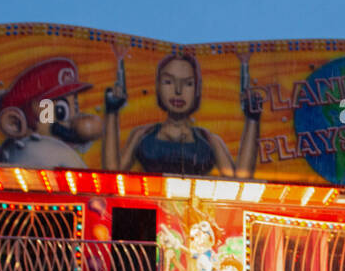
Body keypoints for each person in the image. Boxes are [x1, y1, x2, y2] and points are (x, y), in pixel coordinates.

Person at [102, 52, 260, 177]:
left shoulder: (209, 139)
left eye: (188, 83)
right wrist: (111, 111)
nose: (178, 91)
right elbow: (111, 172)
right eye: (169, 82)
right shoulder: (142, 134)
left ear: (197, 89)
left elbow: (240, 178)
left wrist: (252, 118)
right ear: (158, 87)